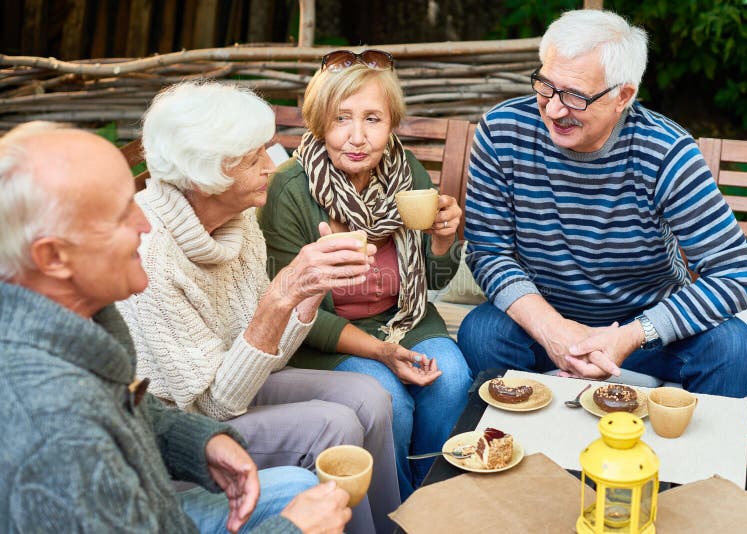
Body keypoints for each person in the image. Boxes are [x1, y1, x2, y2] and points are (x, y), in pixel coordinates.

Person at [0, 121, 352, 533]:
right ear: (53, 257)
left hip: (157, 505)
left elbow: (122, 403)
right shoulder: (55, 435)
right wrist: (292, 530)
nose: (145, 224)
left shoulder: (71, 322)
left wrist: (197, 442)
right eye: (120, 215)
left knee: (297, 483)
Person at [116, 82, 399, 534]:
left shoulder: (237, 219)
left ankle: (387, 526)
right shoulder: (149, 255)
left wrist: (309, 288)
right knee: (335, 424)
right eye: (254, 160)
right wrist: (282, 294)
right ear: (206, 176)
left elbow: (270, 357)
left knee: (368, 395)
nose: (272, 166)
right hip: (182, 430)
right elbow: (213, 407)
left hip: (234, 389)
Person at [458, 9, 747, 398]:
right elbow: (488, 252)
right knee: (481, 332)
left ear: (623, 96)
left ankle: (699, 461)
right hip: (544, 316)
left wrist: (633, 336)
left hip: (647, 328)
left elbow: (735, 276)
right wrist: (554, 330)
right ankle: (510, 450)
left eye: (575, 96)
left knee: (732, 348)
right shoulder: (502, 132)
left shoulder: (667, 152)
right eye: (546, 86)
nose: (553, 109)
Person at [259, 49, 473, 500]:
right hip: (324, 339)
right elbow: (292, 307)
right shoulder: (290, 190)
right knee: (386, 396)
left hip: (403, 322)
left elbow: (432, 279)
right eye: (342, 119)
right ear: (319, 123)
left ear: (392, 123)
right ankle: (391, 506)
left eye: (373, 119)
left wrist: (440, 240)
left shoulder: (407, 173)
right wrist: (381, 352)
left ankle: (432, 501)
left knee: (452, 375)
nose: (357, 137)